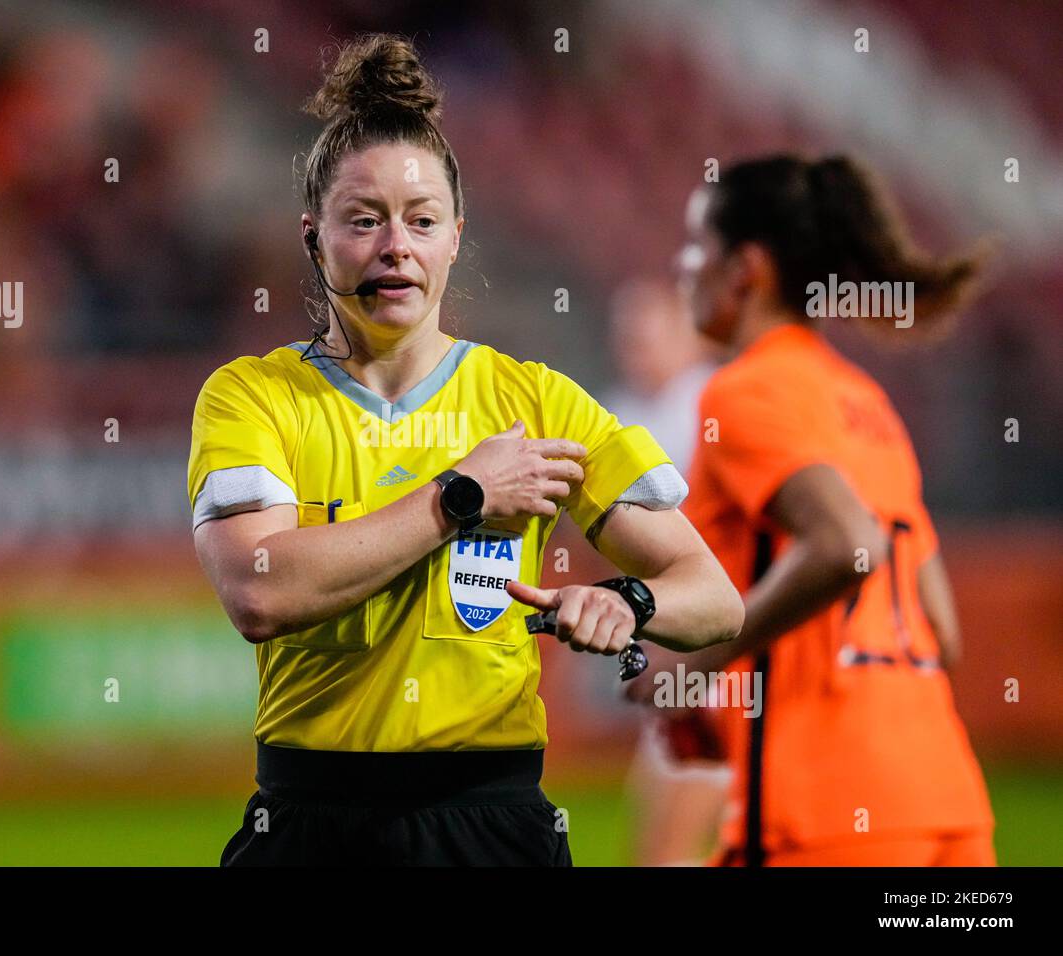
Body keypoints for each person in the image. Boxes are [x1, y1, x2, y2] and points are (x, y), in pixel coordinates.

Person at [186, 34, 744, 867]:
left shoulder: (537, 402)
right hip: (308, 823)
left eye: (420, 221)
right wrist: (460, 495)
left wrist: (629, 602)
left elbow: (716, 599)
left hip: (491, 827)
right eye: (363, 220)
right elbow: (259, 595)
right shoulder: (252, 396)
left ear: (455, 237)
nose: (394, 247)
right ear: (314, 236)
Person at [629, 153, 995, 866]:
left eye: (699, 243)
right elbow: (940, 635)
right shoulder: (867, 403)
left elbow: (847, 546)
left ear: (747, 269)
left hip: (824, 813)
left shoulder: (744, 393)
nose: (683, 265)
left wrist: (696, 668)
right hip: (947, 808)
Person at [599, 279, 731, 867]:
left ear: (690, 338)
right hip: (673, 639)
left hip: (722, 644)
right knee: (663, 844)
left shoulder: (711, 405)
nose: (636, 346)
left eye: (650, 331)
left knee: (671, 846)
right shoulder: (621, 410)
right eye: (627, 334)